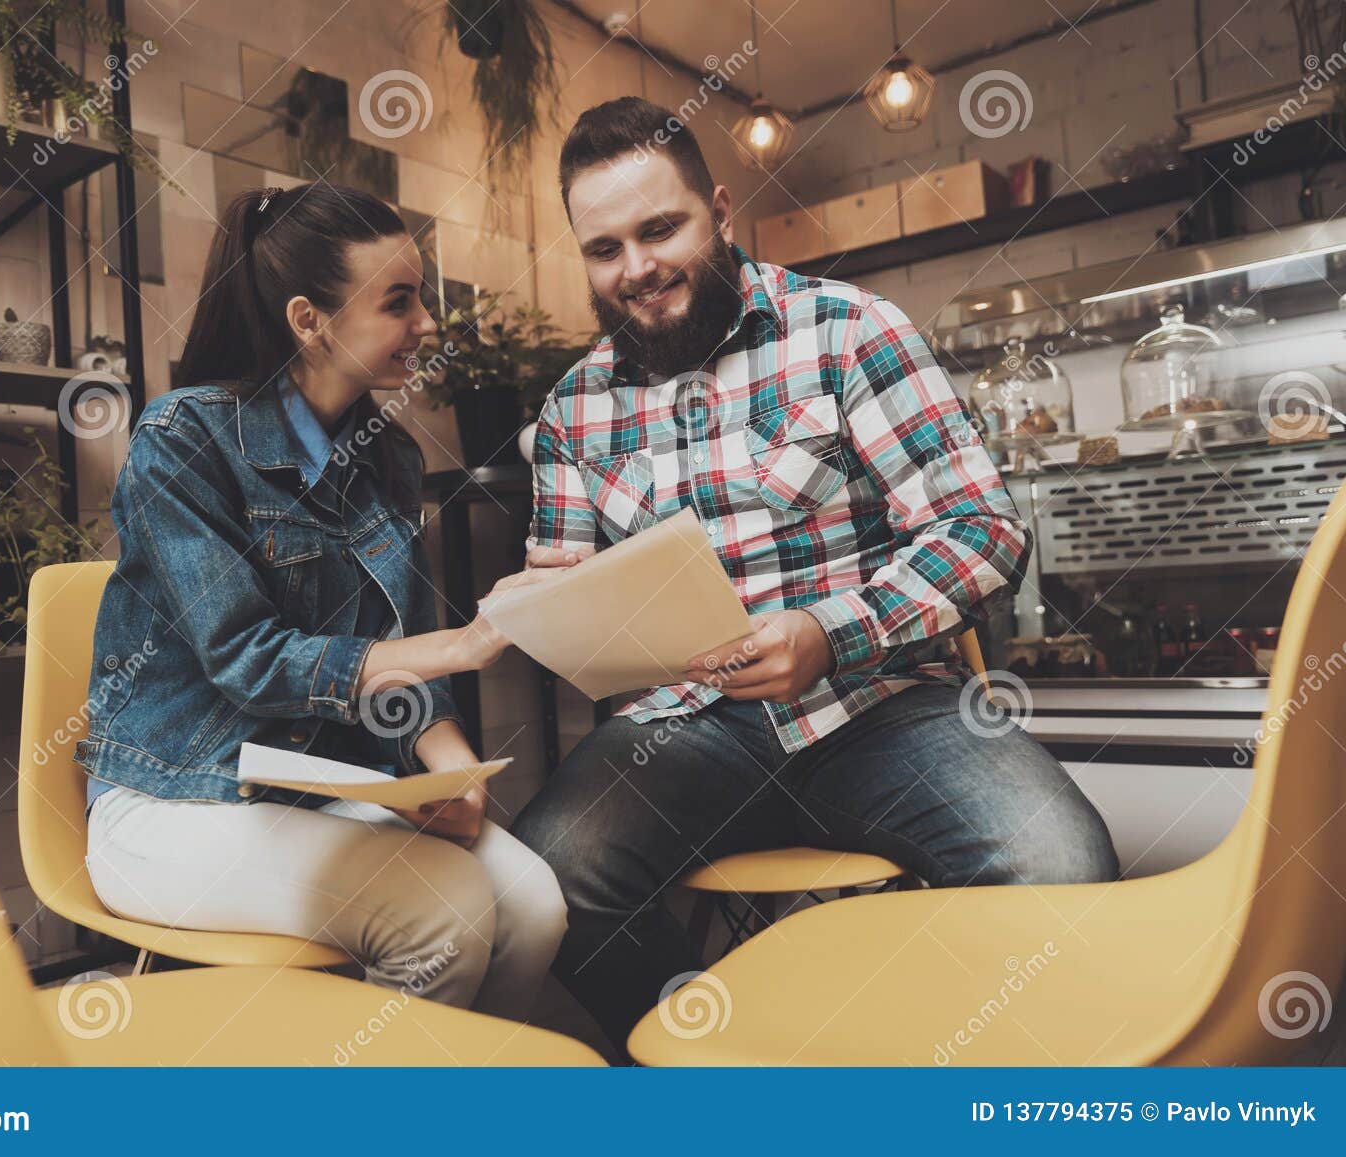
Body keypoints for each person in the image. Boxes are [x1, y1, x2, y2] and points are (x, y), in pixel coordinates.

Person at [508, 97, 1119, 1052]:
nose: (636, 269)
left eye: (661, 228)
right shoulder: (571, 410)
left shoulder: (845, 331)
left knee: (1059, 864)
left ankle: (940, 1076)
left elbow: (983, 529)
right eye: (604, 248)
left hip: (879, 705)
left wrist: (834, 633)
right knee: (546, 878)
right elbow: (576, 617)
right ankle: (731, 1069)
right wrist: (545, 606)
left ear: (718, 210)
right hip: (681, 730)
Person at [75, 181, 566, 1021]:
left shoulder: (390, 461)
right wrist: (461, 643)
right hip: (170, 800)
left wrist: (449, 764)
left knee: (534, 908)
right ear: (310, 319)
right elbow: (248, 659)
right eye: (399, 303)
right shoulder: (181, 440)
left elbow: (398, 659)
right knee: (442, 918)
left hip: (314, 789)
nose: (426, 326)